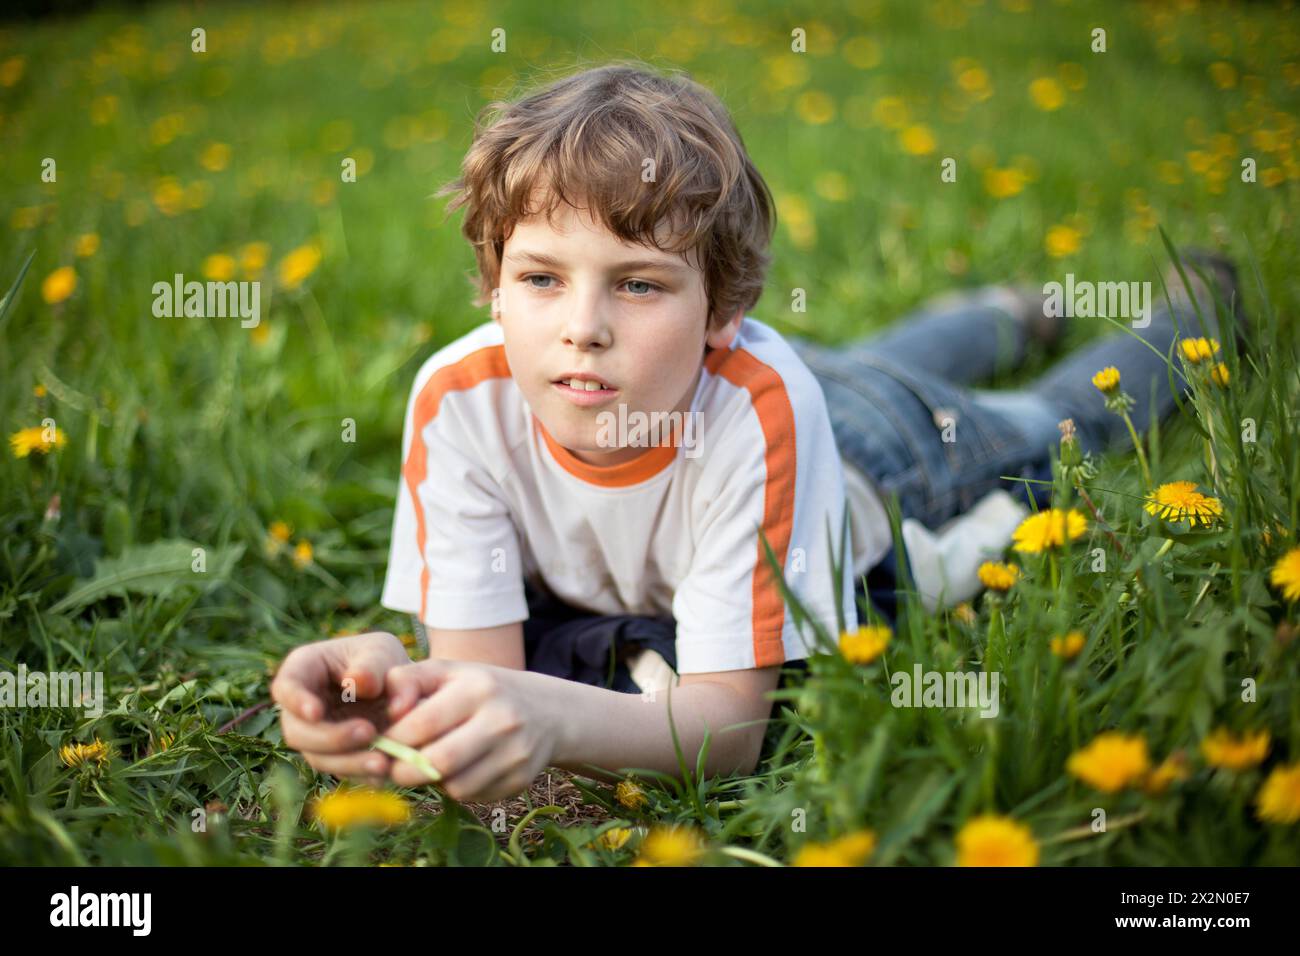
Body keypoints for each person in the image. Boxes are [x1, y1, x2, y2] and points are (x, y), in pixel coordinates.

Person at [270, 61, 1241, 803]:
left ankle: (1189, 315)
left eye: (638, 281)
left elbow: (726, 728)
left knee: (1046, 421)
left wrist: (541, 713)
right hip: (772, 376)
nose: (582, 325)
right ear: (492, 284)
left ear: (719, 308)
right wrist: (399, 696)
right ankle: (1001, 307)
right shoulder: (458, 399)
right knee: (860, 351)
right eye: (540, 278)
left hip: (882, 454)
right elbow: (486, 685)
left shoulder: (763, 407)